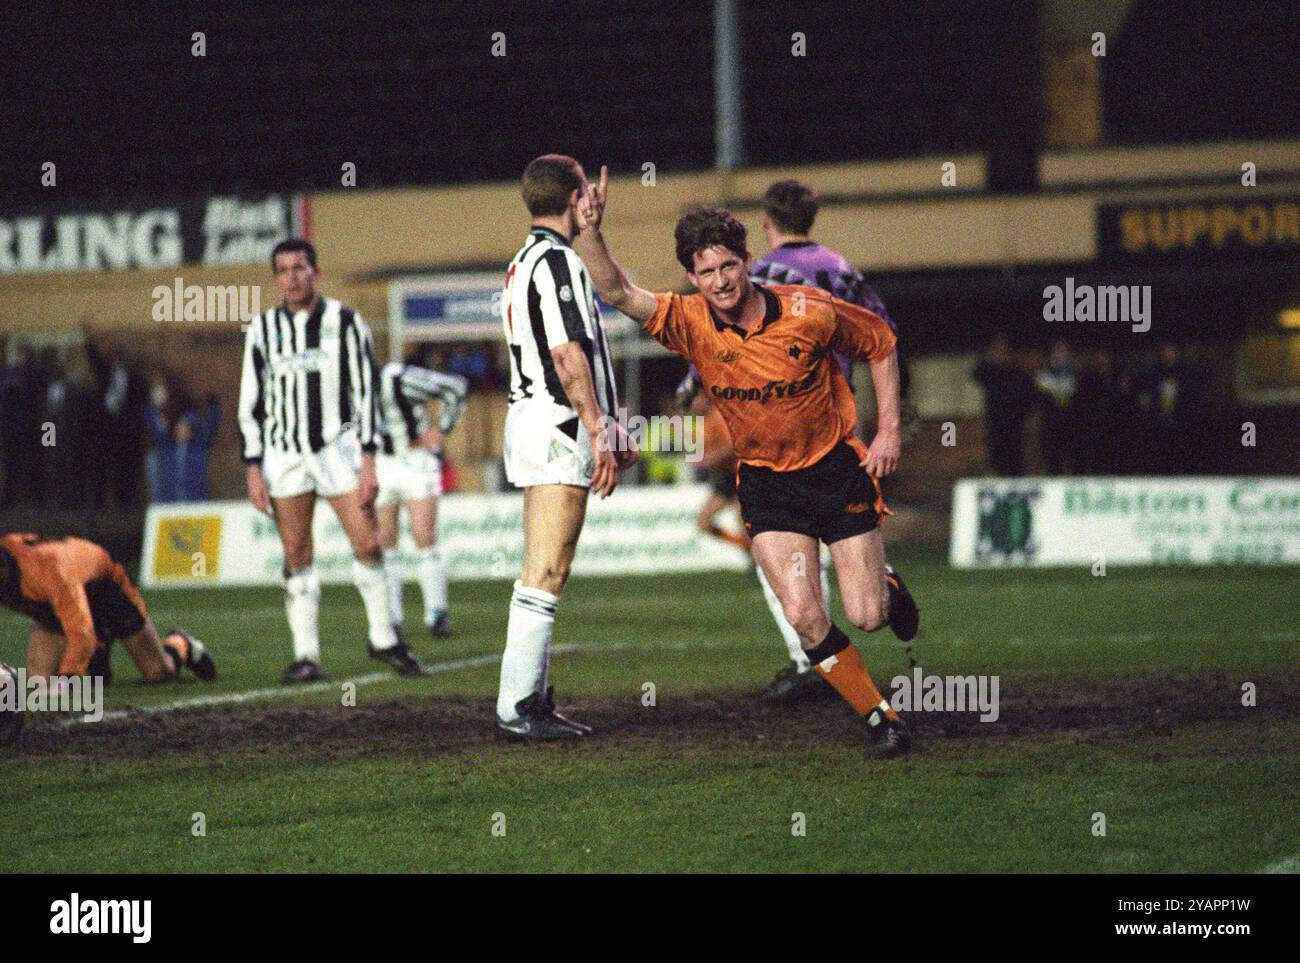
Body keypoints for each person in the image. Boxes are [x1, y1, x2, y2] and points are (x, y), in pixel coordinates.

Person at [573, 169, 919, 757]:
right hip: (764, 483)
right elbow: (616, 293)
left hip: (834, 470)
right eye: (704, 272)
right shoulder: (687, 320)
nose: (719, 281)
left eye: (727, 266)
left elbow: (880, 342)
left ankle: (884, 586)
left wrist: (887, 430)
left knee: (865, 615)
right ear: (691, 276)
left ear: (748, 260)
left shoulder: (809, 311)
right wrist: (591, 235)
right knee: (804, 616)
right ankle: (880, 717)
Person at [237, 238, 425, 683]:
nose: (292, 277)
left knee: (369, 543)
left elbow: (366, 393)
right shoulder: (263, 330)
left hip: (337, 449)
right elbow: (252, 402)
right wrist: (253, 468)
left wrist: (369, 459)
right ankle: (307, 656)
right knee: (297, 552)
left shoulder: (344, 321)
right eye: (283, 270)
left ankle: (383, 638)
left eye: (300, 268)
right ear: (276, 277)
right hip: (284, 455)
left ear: (315, 271)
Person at [496, 154, 637, 740]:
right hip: (557, 423)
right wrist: (599, 424)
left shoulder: (524, 260)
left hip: (534, 420)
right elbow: (567, 354)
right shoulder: (557, 263)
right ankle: (518, 707)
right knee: (548, 569)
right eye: (587, 194)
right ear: (575, 197)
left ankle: (530, 698)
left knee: (542, 568)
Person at [0, 532, 214, 687]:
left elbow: (81, 631)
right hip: (58, 606)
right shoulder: (15, 565)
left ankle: (181, 644)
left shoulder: (48, 572)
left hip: (106, 589)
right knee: (39, 684)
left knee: (159, 672)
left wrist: (67, 679)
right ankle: (99, 652)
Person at [375, 353, 469, 643]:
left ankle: (437, 613)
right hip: (380, 463)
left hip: (415, 462)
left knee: (423, 534)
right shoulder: (343, 385)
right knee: (384, 541)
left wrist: (441, 431)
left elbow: (455, 387)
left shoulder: (397, 378)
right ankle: (391, 618)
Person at [973, 335, 1036, 476]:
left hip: (1015, 425)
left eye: (1003, 349)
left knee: (1015, 461)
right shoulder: (990, 371)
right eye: (997, 349)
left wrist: (1024, 414)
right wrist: (988, 360)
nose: (1000, 353)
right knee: (996, 460)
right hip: (995, 425)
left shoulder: (1017, 372)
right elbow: (977, 374)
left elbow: (1030, 395)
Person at [146, 385, 221, 503]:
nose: (182, 430)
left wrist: (214, 407)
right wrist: (152, 406)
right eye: (180, 426)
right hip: (171, 502)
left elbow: (210, 428)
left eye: (186, 427)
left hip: (195, 502)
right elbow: (154, 426)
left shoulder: (198, 448)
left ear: (192, 431)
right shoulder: (167, 447)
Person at [1035, 340, 1078, 475]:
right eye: (1058, 351)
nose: (1062, 355)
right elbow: (1042, 395)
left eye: (1064, 351)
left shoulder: (1074, 373)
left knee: (1071, 461)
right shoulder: (1044, 374)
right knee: (1053, 462)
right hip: (1051, 425)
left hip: (1071, 425)